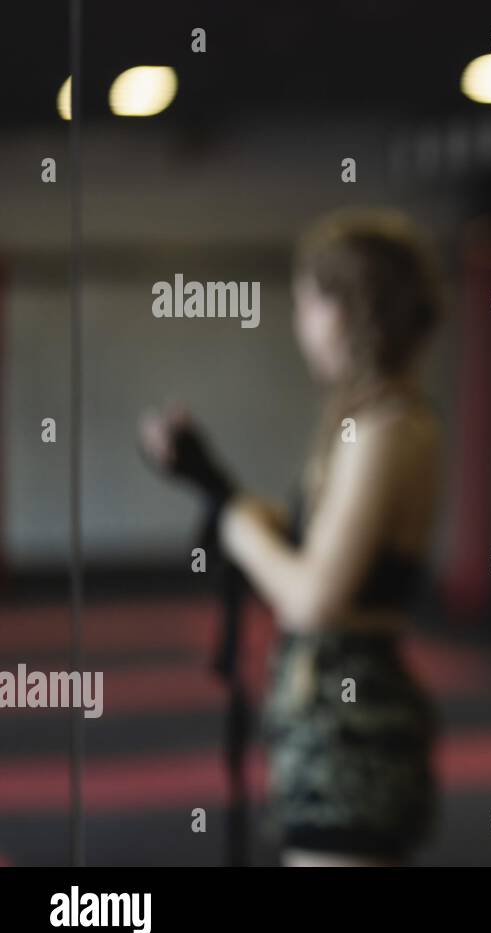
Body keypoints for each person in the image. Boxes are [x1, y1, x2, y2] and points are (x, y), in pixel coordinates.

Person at [139, 207, 444, 866]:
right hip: (337, 719)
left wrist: (234, 526)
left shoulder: (385, 427)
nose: (301, 324)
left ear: (347, 310)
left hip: (351, 732)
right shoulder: (374, 420)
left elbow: (311, 595)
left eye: (309, 303)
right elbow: (312, 542)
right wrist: (209, 478)